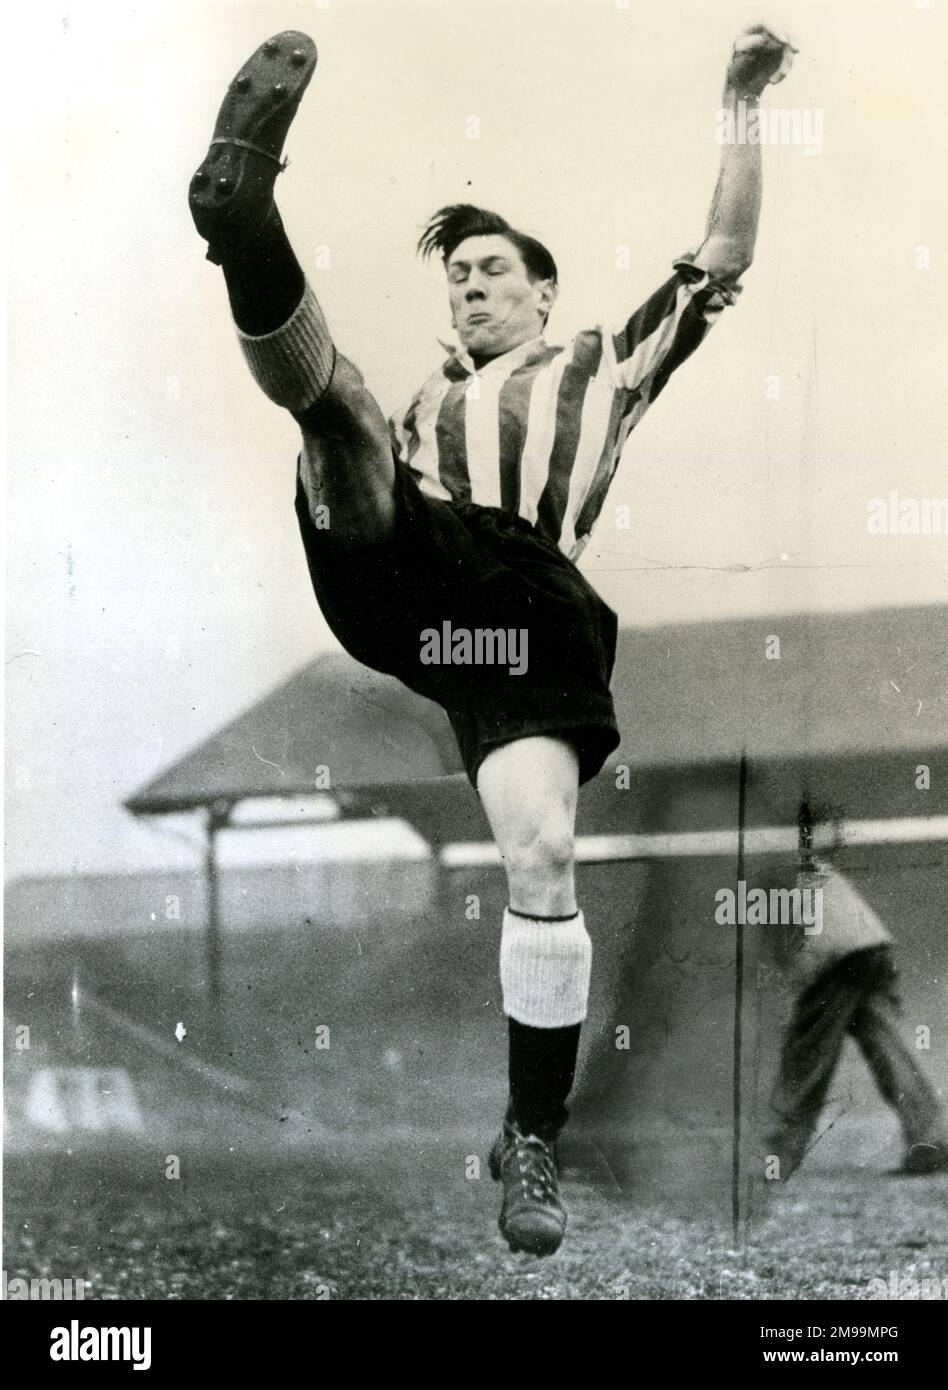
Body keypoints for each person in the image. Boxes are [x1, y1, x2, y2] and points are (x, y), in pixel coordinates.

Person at [189, 23, 796, 1255]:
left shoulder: (602, 360)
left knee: (543, 858)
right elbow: (364, 444)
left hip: (520, 622)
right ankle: (242, 211)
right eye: (455, 273)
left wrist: (739, 97)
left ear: (544, 290)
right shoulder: (427, 399)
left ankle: (531, 1136)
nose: (467, 286)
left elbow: (724, 253)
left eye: (489, 269)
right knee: (345, 408)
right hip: (411, 568)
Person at [766, 854, 948, 1178]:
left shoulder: (747, 857)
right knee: (886, 1044)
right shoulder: (787, 848)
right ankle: (930, 1140)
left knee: (806, 1055)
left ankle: (778, 1157)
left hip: (831, 954)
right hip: (869, 943)